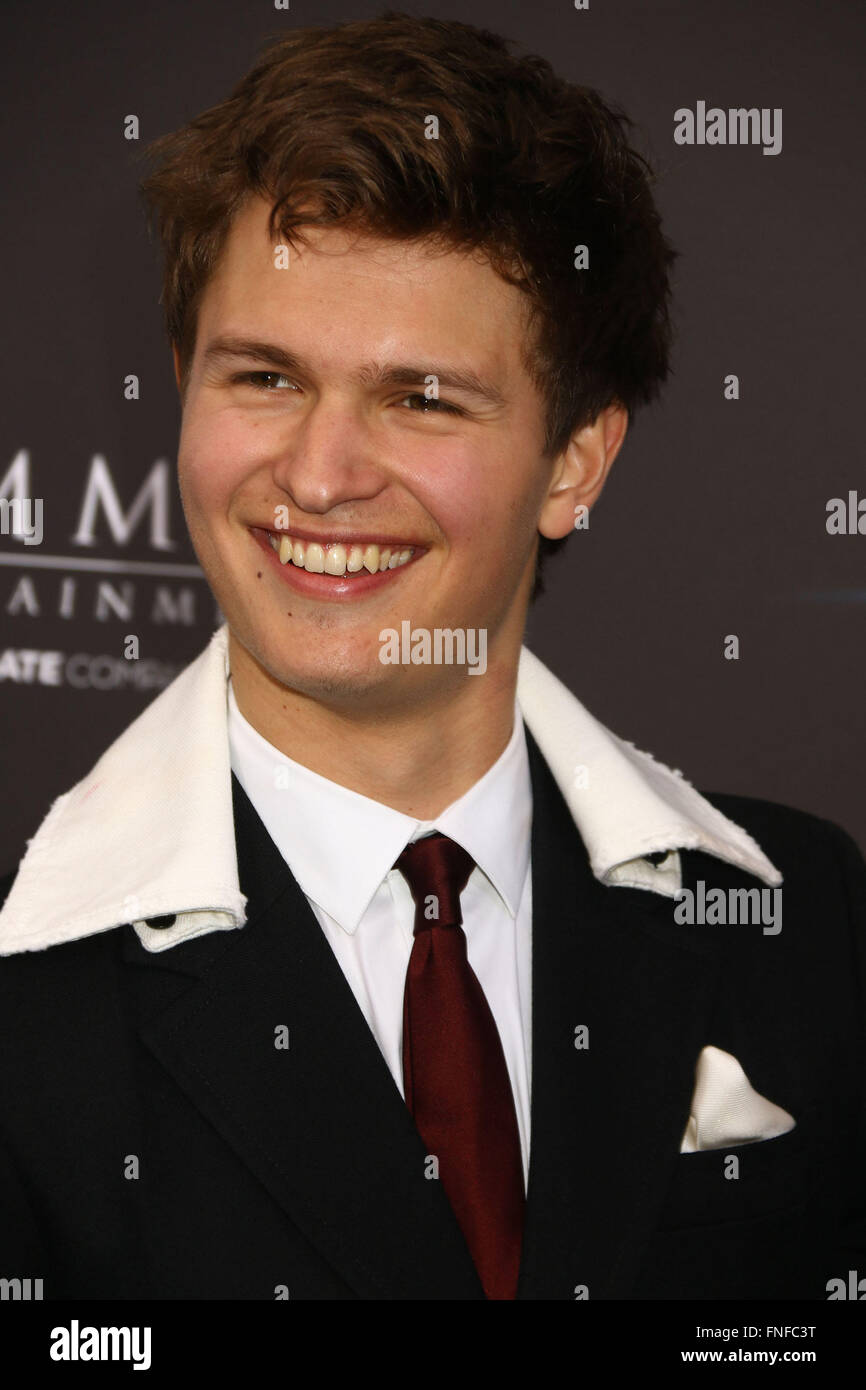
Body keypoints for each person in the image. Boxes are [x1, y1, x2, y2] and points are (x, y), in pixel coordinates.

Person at [0, 11, 863, 1302]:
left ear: (575, 460)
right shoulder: (25, 996)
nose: (319, 474)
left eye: (420, 398)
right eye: (264, 378)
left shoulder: (802, 909)